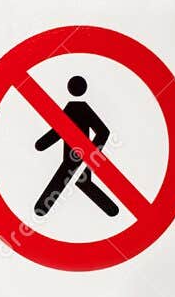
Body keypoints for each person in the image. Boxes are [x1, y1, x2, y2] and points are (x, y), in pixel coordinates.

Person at [33, 76, 120, 217]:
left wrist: (42, 144)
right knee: (81, 182)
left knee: (65, 180)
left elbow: (57, 131)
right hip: (81, 156)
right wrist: (94, 152)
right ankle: (112, 210)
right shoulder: (81, 109)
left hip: (76, 157)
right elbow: (103, 132)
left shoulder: (73, 110)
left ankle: (41, 210)